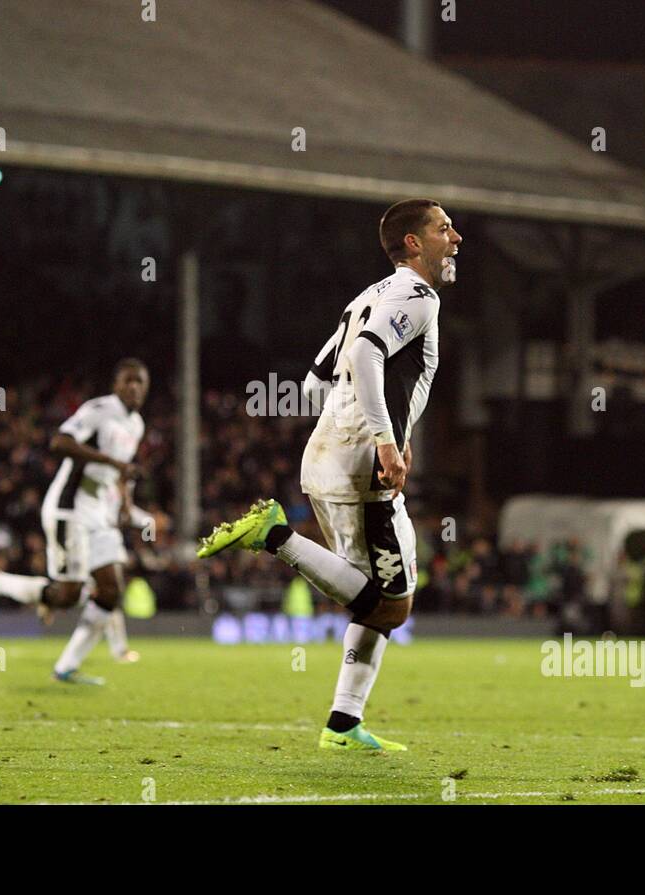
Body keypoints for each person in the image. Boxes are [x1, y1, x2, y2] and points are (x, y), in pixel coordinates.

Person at [197, 198, 460, 752]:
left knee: (377, 599)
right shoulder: (418, 296)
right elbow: (366, 355)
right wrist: (386, 443)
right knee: (394, 603)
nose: (455, 238)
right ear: (413, 243)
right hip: (364, 458)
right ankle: (275, 535)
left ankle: (343, 722)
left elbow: (317, 378)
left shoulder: (366, 296)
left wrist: (339, 437)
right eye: (443, 229)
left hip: (334, 451)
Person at [0, 359, 152, 683]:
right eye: (128, 381)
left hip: (100, 511)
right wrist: (110, 461)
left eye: (140, 382)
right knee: (66, 595)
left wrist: (125, 502)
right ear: (116, 384)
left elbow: (120, 472)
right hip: (71, 508)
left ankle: (66, 667)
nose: (134, 387)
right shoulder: (98, 410)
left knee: (110, 589)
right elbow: (59, 442)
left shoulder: (136, 425)